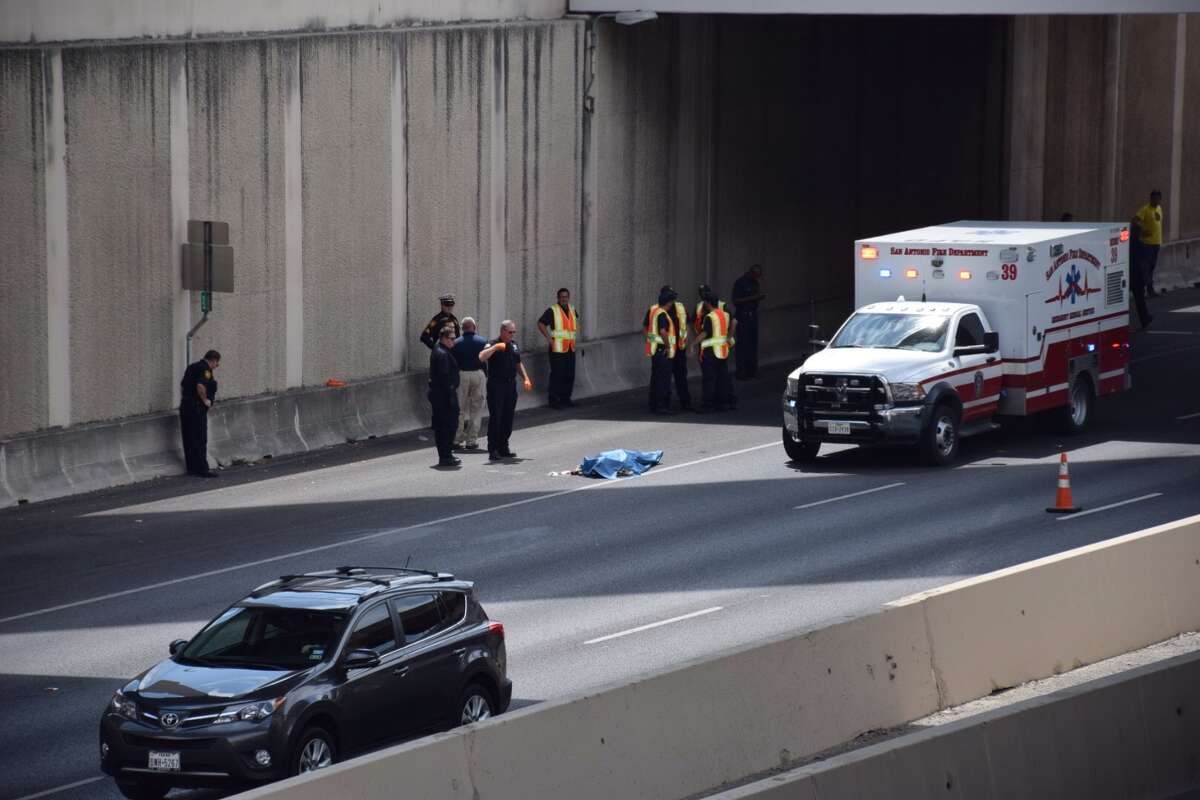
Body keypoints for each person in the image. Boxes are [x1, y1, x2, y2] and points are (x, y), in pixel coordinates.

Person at [479, 320, 532, 460]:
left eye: (514, 332)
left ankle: (504, 446)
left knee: (508, 417)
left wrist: (526, 378)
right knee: (496, 417)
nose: (512, 335)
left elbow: (518, 363)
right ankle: (493, 449)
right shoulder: (493, 343)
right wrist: (495, 348)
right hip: (496, 385)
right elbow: (481, 356)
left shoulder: (514, 345)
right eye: (510, 332)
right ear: (502, 331)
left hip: (510, 385)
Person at [179, 350, 220, 478]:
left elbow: (183, 386)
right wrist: (206, 401)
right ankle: (202, 469)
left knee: (189, 438)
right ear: (213, 360)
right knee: (200, 438)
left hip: (185, 407)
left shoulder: (192, 367)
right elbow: (200, 386)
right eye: (217, 364)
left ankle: (191, 468)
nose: (216, 366)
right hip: (197, 408)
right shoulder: (205, 370)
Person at [451, 317, 488, 450]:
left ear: (462, 329)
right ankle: (471, 441)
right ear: (474, 327)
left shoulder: (455, 343)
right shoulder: (483, 341)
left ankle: (456, 439)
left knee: (459, 408)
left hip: (461, 375)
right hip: (478, 374)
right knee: (476, 408)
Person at [538, 288, 578, 409]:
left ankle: (566, 398)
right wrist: (549, 339)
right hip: (557, 348)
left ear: (568, 297)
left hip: (570, 348)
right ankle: (554, 400)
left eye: (566, 297)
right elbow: (541, 323)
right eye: (562, 297)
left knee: (569, 374)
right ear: (558, 298)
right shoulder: (552, 310)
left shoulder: (572, 309)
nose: (564, 299)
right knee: (557, 375)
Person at [428, 327, 461, 467]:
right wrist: (451, 396)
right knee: (448, 426)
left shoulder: (440, 350)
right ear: (443, 338)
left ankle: (446, 454)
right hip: (444, 396)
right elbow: (445, 377)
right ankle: (446, 456)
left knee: (443, 427)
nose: (454, 341)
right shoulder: (442, 354)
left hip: (439, 394)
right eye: (452, 339)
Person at [697, 294, 735, 412]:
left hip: (711, 352)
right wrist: (730, 337)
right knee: (722, 378)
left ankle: (708, 405)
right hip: (723, 351)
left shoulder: (710, 317)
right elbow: (735, 323)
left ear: (708, 303)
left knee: (709, 379)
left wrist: (693, 343)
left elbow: (704, 333)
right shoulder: (725, 315)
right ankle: (723, 403)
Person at [643, 287, 677, 415]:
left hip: (656, 350)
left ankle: (654, 404)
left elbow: (646, 328)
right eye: (672, 301)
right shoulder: (662, 314)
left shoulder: (654, 311)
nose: (672, 303)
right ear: (668, 302)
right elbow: (663, 331)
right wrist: (668, 346)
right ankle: (662, 405)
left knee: (656, 378)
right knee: (663, 379)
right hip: (663, 350)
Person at [731, 264, 765, 380]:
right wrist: (753, 298)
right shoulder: (740, 283)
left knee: (752, 344)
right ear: (751, 272)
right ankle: (741, 371)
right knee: (743, 344)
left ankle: (752, 370)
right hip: (743, 316)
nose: (757, 278)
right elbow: (736, 300)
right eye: (756, 275)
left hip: (752, 315)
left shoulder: (755, 283)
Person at [1131, 190, 1164, 297]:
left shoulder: (1159, 208)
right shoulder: (1145, 209)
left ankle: (1149, 289)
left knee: (1152, 267)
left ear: (1160, 199)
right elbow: (1135, 220)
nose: (1155, 200)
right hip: (1147, 244)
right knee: (1146, 268)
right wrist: (1142, 230)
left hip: (1156, 243)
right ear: (1150, 199)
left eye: (1157, 198)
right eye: (1153, 198)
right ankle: (1145, 289)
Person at [665, 289, 693, 412]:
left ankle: (685, 402)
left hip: (679, 348)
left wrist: (686, 340)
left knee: (681, 376)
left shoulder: (681, 308)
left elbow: (687, 325)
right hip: (666, 350)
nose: (673, 300)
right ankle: (664, 404)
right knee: (664, 378)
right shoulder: (658, 310)